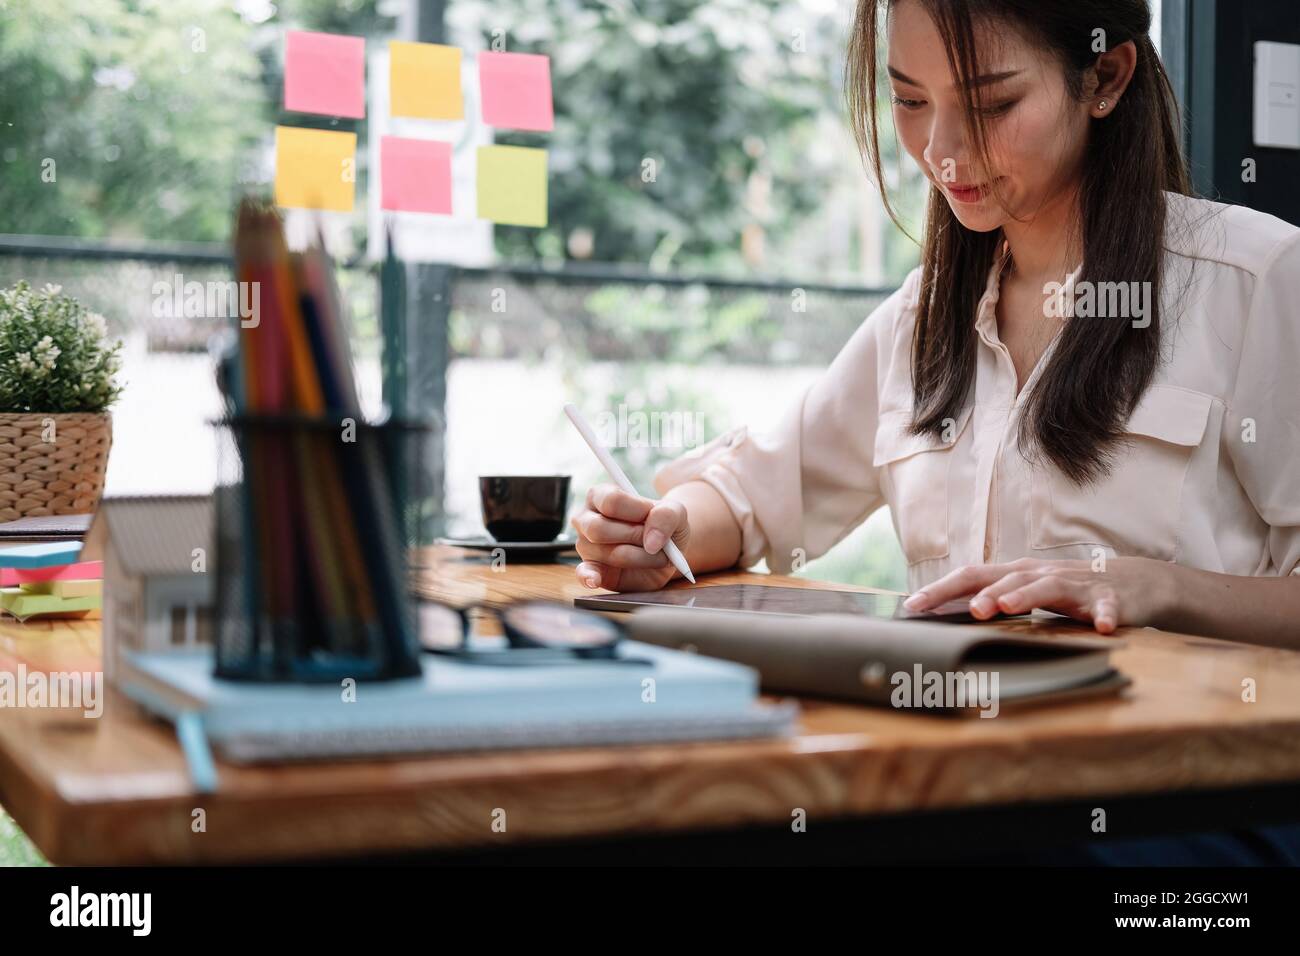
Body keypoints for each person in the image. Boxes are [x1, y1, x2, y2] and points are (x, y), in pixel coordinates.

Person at [570, 0, 1300, 865]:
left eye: (991, 105)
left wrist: (1155, 589)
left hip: (1187, 809)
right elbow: (751, 495)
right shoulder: (923, 319)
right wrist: (667, 529)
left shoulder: (1255, 281)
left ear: (1105, 76)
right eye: (911, 101)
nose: (944, 151)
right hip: (966, 789)